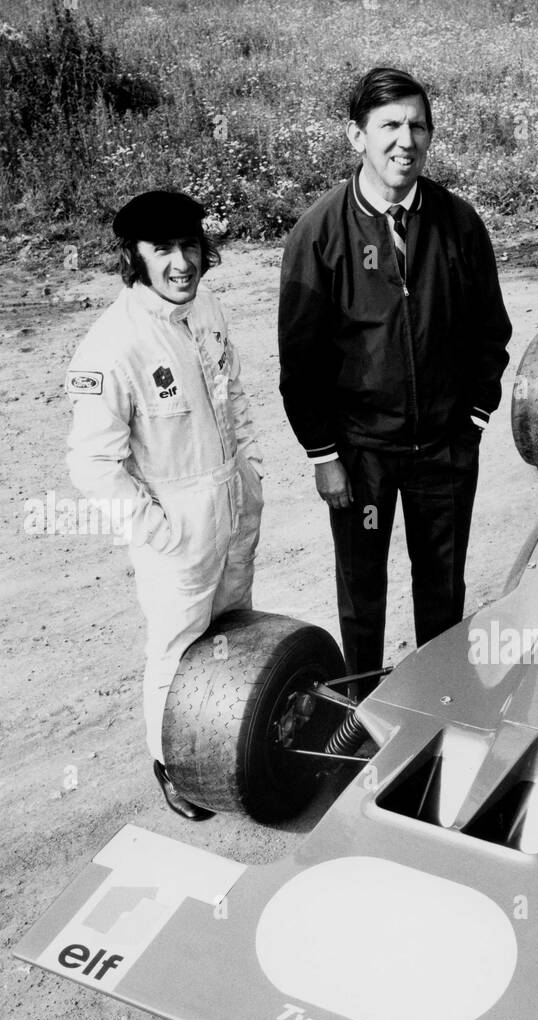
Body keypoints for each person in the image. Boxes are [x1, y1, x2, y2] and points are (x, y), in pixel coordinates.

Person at [278, 66, 512, 700]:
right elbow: (299, 362)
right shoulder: (320, 233)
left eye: (417, 125)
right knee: (363, 595)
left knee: (442, 589)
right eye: (388, 126)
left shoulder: (459, 223)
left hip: (443, 449)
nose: (404, 140)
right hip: (362, 457)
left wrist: (473, 422)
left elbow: (490, 333)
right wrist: (325, 456)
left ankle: (440, 704)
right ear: (356, 136)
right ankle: (361, 710)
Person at [65, 190, 264, 820]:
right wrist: (158, 530)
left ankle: (224, 745)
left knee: (234, 630)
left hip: (230, 500)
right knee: (178, 650)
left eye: (190, 246)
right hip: (176, 523)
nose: (181, 263)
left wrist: (248, 472)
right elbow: (92, 464)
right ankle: (172, 763)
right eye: (162, 250)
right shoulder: (113, 345)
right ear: (134, 258)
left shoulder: (206, 305)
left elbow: (232, 396)